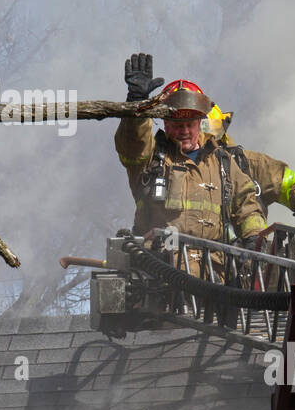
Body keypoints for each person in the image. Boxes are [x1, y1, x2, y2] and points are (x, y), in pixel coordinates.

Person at [115, 54, 268, 278]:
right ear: (165, 123)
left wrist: (255, 238)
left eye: (190, 124)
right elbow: (131, 145)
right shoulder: (151, 157)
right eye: (177, 124)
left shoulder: (223, 161)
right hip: (161, 273)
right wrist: (136, 105)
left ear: (200, 123)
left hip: (217, 275)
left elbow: (247, 204)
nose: (184, 130)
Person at [202, 105, 295, 226]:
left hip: (250, 247)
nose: (201, 140)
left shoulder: (247, 164)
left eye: (207, 133)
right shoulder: (183, 172)